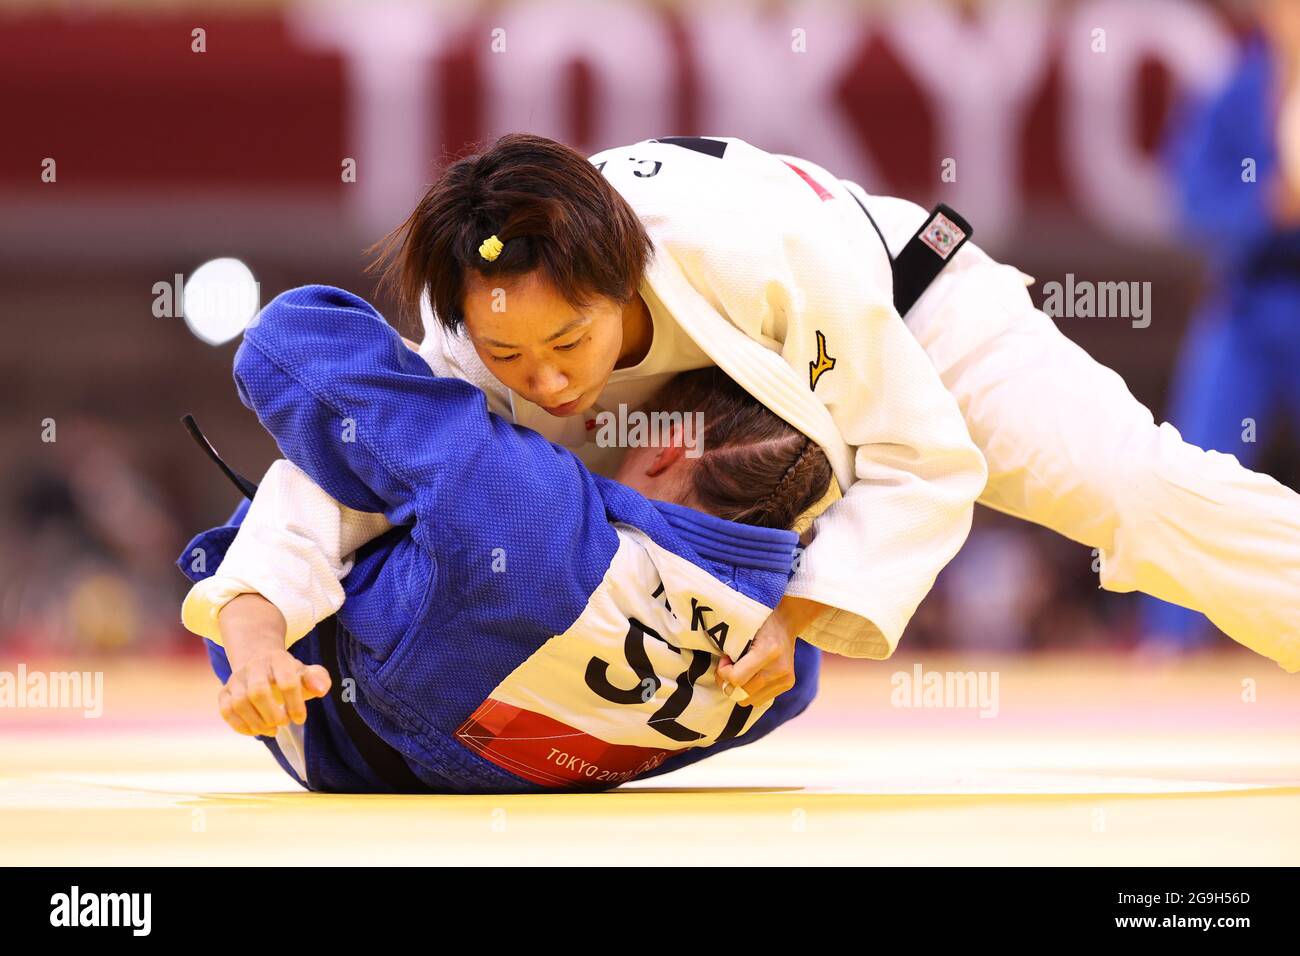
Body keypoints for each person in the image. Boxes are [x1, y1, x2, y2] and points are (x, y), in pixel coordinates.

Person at [204, 131, 1300, 703]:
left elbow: (916, 451)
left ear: (623, 278)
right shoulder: (472, 342)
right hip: (747, 419)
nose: (542, 385)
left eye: (568, 345)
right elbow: (348, 465)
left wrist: (807, 614)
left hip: (916, 320)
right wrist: (255, 628)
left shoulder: (748, 248)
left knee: (1134, 490)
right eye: (509, 356)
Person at [179, 284, 839, 793]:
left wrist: (466, 381)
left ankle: (255, 638)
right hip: (427, 767)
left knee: (356, 460)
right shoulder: (784, 674)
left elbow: (288, 338)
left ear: (670, 446)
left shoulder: (530, 509)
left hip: (313, 702)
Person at [1143, 0, 1300, 652]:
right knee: (1199, 464)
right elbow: (1191, 202)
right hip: (1249, 304)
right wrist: (1267, 207)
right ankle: (1171, 640)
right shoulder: (1235, 88)